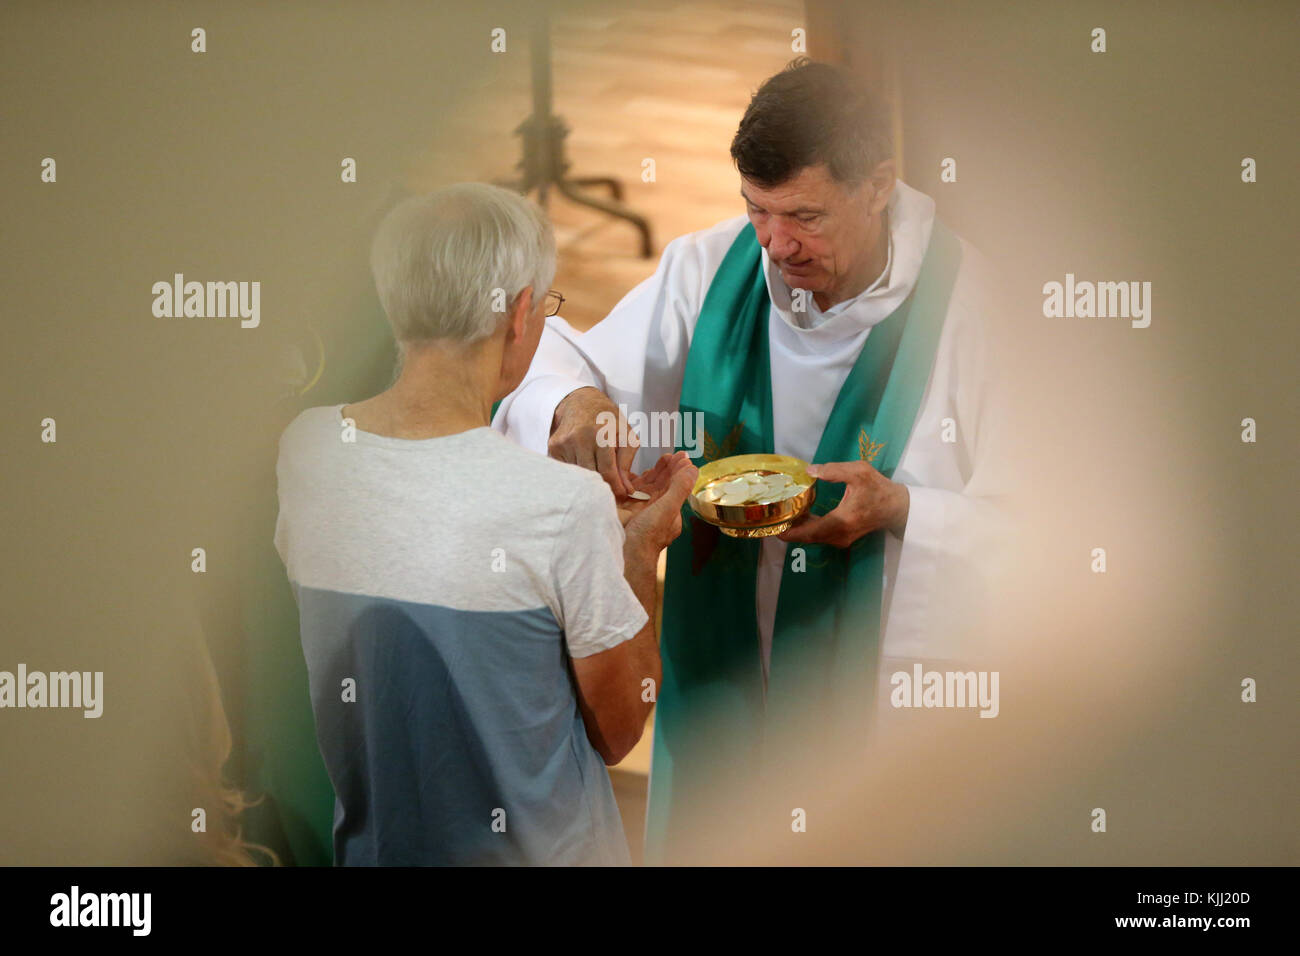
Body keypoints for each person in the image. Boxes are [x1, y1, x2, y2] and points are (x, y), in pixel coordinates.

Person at [493, 58, 1008, 862]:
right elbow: (562, 364)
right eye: (756, 210)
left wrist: (900, 510)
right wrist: (578, 404)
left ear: (878, 185)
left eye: (803, 215)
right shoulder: (713, 270)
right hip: (722, 681)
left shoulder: (983, 311)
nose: (774, 244)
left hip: (881, 709)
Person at [273, 182, 696, 865]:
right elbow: (619, 728)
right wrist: (639, 552)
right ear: (521, 314)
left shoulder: (305, 451)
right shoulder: (564, 505)